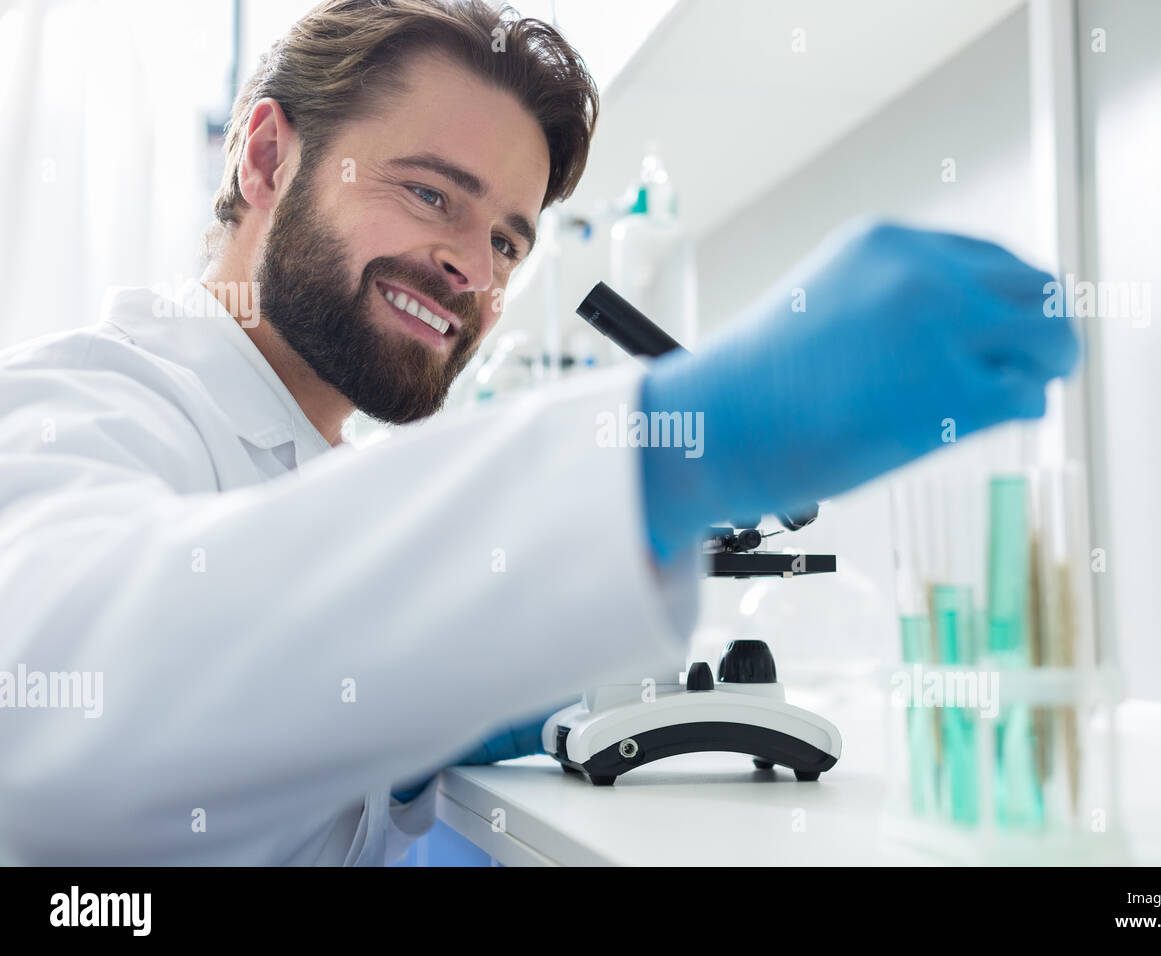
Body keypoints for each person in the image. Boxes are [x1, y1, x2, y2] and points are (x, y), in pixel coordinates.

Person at [0, 0, 1077, 865]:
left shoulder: (311, 457)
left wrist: (413, 746)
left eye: (508, 242)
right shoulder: (77, 403)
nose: (473, 266)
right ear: (268, 157)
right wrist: (670, 442)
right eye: (430, 194)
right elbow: (45, 717)